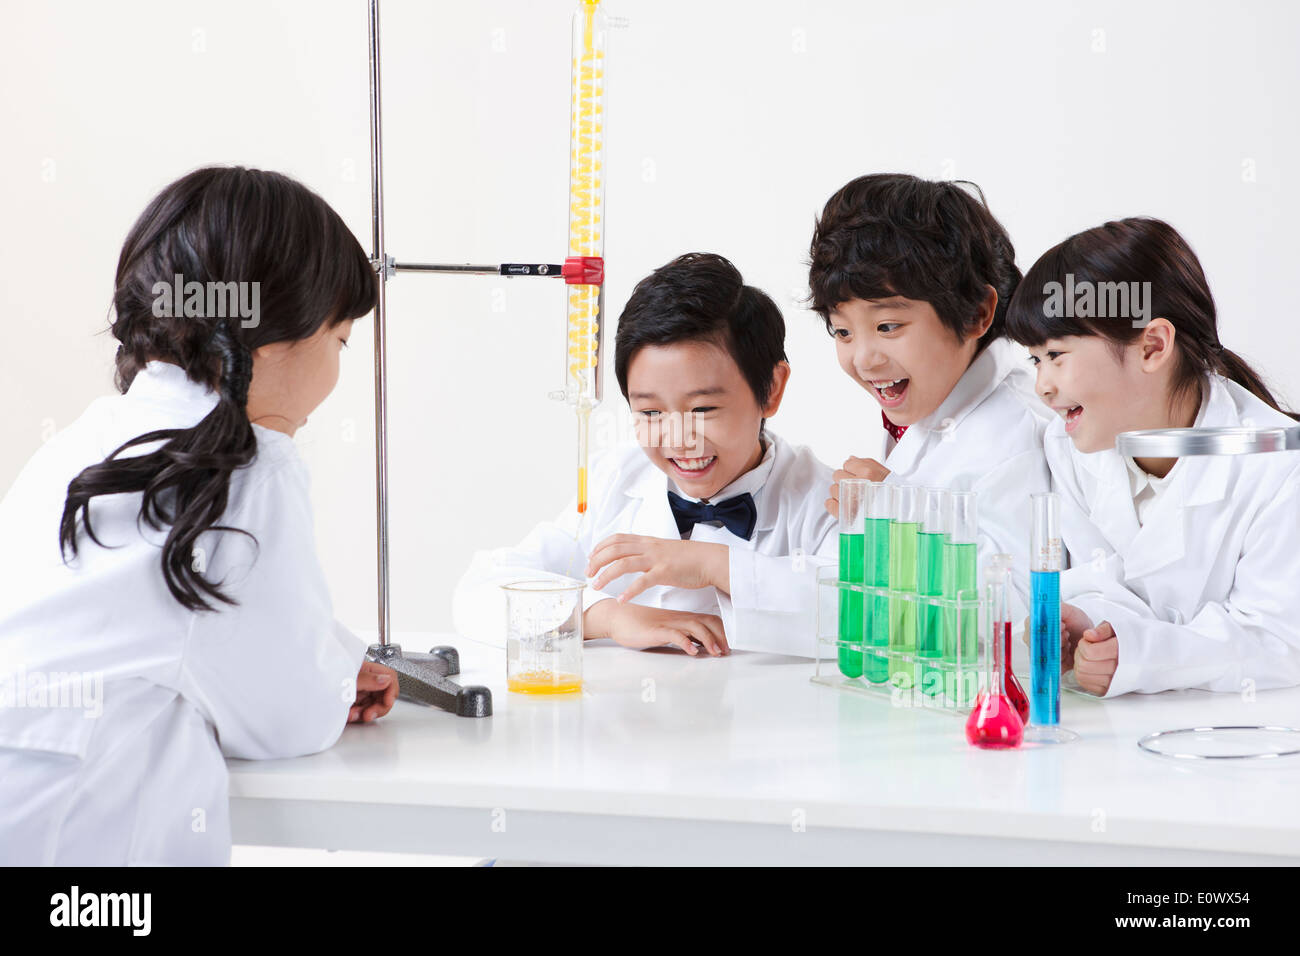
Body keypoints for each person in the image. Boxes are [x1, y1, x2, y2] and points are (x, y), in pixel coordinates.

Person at [0, 166, 397, 865]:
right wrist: (331, 678)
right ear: (275, 339)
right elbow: (287, 719)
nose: (337, 372)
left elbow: (162, 623)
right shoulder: (251, 470)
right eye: (339, 341)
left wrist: (330, 655)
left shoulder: (83, 443)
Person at [453, 253, 836, 656]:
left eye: (702, 409)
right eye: (651, 412)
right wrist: (606, 617)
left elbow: (868, 616)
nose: (678, 439)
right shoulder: (617, 478)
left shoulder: (826, 498)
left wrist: (712, 564)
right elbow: (479, 591)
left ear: (772, 389)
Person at [1006, 217, 1300, 696]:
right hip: (1135, 739)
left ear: (1152, 346)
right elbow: (1110, 584)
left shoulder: (1280, 464)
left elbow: (1279, 642)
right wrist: (1088, 626)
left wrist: (1144, 658)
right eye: (1035, 360)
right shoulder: (1070, 446)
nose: (1043, 386)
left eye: (1057, 355)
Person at [812, 173, 1052, 621]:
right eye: (842, 331)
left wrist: (893, 515)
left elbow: (1022, 609)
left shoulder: (1021, 432)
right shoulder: (922, 405)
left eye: (888, 327)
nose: (863, 358)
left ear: (978, 312)